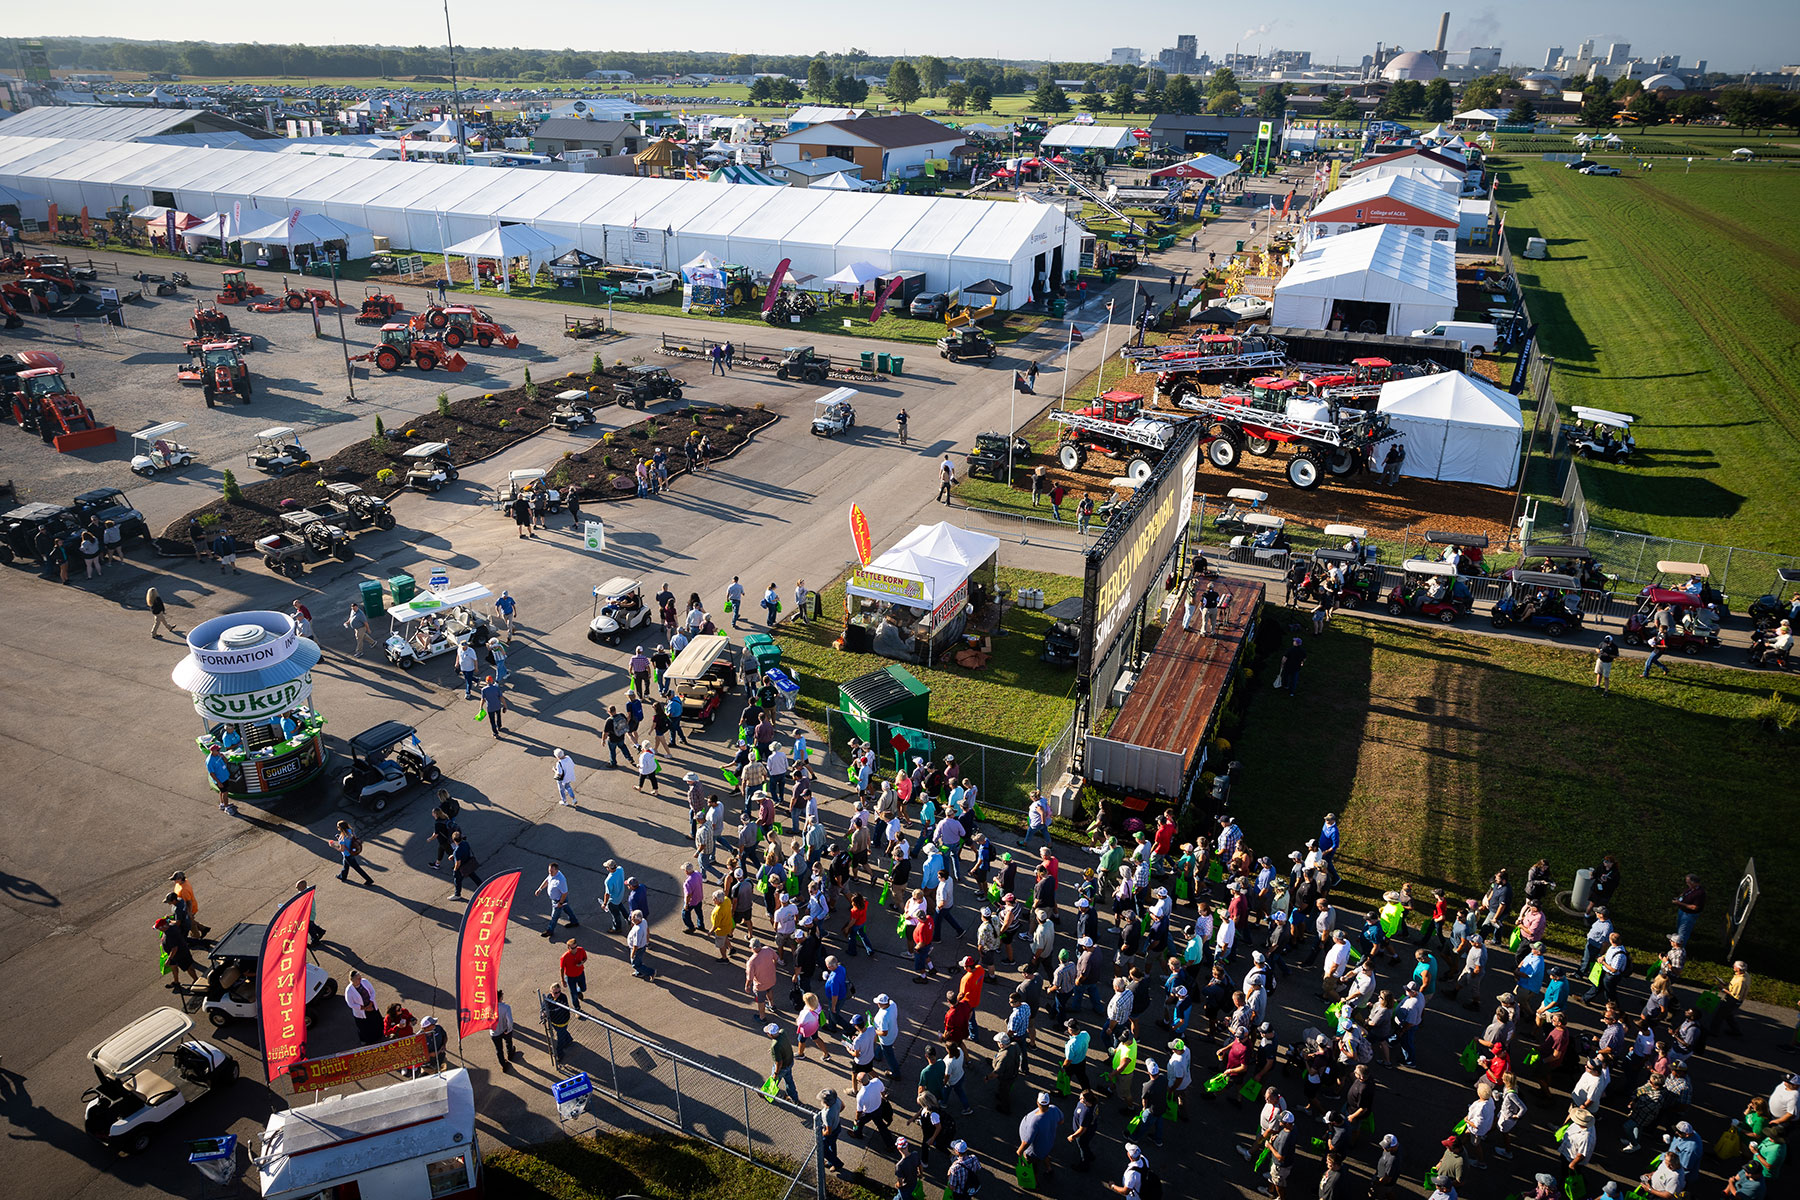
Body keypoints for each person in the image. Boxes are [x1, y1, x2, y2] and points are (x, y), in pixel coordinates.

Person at [1017, 1092, 1064, 1183]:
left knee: (1033, 1169)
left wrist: (1020, 1151)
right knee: (1044, 1155)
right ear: (1049, 1103)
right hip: (1048, 1143)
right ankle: (1049, 1169)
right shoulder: (1054, 1109)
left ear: (1037, 1103)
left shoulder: (1035, 1122)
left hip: (1034, 1151)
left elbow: (1027, 1141)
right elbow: (1061, 1121)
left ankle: (1035, 1183)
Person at [537, 862, 577, 937]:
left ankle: (550, 930)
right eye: (549, 871)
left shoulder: (561, 880)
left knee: (554, 916)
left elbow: (564, 893)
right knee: (567, 909)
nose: (550, 872)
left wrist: (560, 903)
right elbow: (547, 880)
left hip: (559, 901)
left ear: (556, 870)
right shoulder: (552, 874)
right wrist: (540, 889)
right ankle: (574, 921)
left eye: (551, 871)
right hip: (558, 900)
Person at [331, 820, 374, 885]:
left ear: (341, 828)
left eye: (338, 827)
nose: (337, 828)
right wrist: (339, 837)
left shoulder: (341, 839)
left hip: (347, 855)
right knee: (345, 866)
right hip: (351, 851)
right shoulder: (350, 831)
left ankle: (369, 880)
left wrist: (333, 846)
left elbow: (341, 849)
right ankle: (343, 876)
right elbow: (349, 839)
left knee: (357, 868)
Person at [346, 971, 383, 1044]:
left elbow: (372, 992)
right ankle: (369, 1041)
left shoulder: (365, 982)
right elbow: (351, 1004)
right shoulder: (349, 991)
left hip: (371, 1007)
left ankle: (380, 1035)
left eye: (360, 977)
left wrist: (371, 1003)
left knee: (376, 1022)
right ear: (352, 980)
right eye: (358, 978)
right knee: (366, 1027)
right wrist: (365, 1008)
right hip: (361, 1012)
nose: (360, 979)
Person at [490, 990, 518, 1069]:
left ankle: (503, 1064)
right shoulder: (506, 1008)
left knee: (499, 1049)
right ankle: (510, 1054)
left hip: (494, 1032)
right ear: (500, 998)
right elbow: (510, 1021)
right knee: (508, 1042)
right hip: (505, 1029)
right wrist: (509, 1029)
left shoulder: (488, 1007)